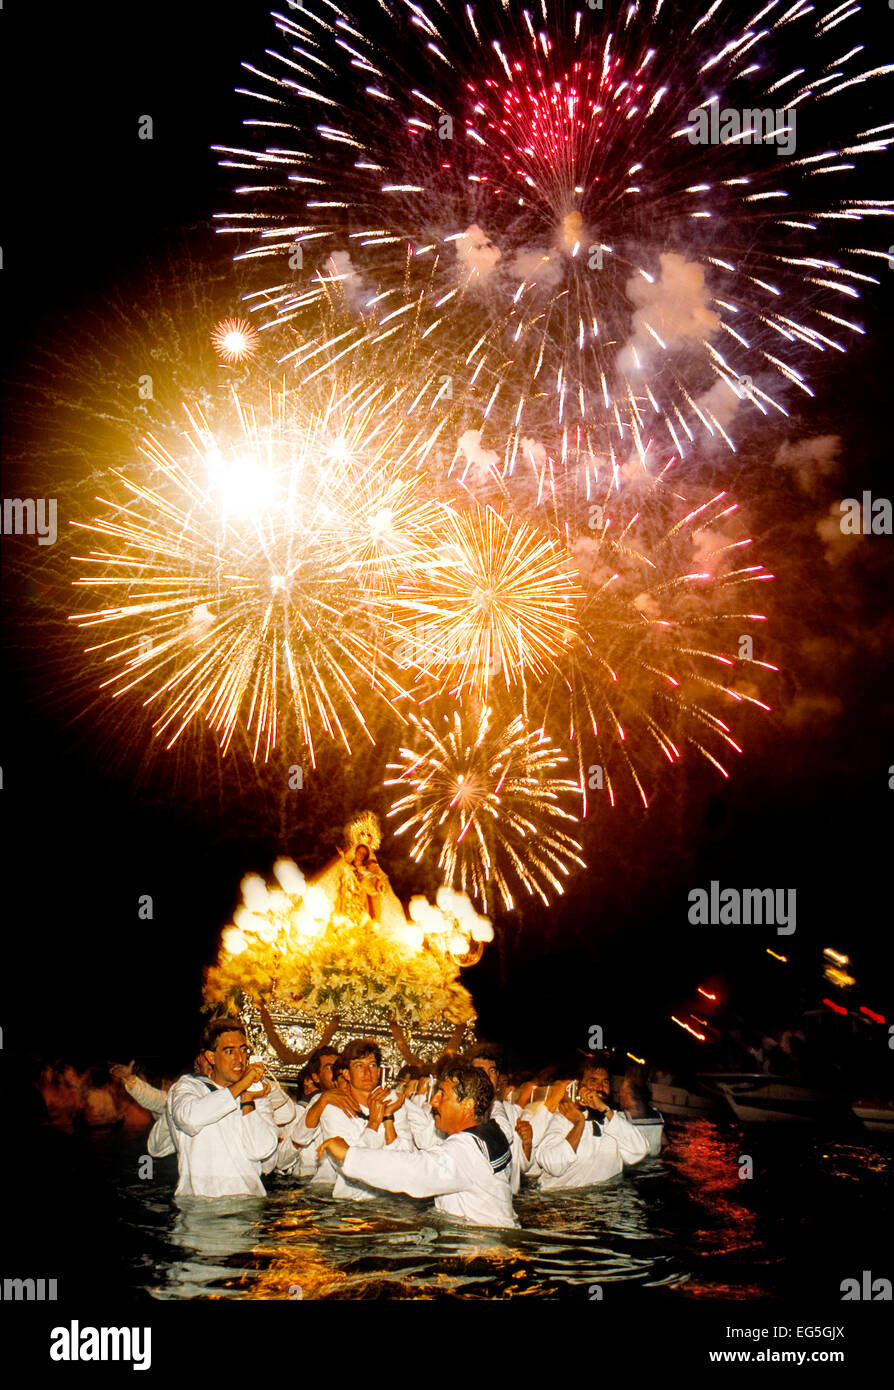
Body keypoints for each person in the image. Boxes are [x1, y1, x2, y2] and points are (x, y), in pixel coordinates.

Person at [319, 1063, 517, 1228]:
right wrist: (388, 1118)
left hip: (482, 1254)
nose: (433, 1101)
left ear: (468, 1104)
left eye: (442, 1094)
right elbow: (423, 1161)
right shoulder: (492, 1132)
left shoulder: (466, 1150)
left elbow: (415, 1171)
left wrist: (350, 1154)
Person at [167, 1018, 278, 1198]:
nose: (239, 1059)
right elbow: (189, 1119)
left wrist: (248, 1100)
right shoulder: (189, 1087)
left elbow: (263, 1153)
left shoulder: (256, 1096)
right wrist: (241, 1086)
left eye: (243, 1051)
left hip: (247, 1206)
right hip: (201, 1208)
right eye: (229, 1051)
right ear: (211, 1057)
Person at [313, 1039, 413, 1199]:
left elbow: (408, 1160)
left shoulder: (394, 1102)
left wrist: (387, 1118)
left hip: (392, 1202)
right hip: (352, 1203)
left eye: (372, 1065)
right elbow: (348, 1166)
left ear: (379, 1071)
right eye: (359, 1066)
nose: (368, 1072)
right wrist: (373, 1123)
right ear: (346, 1074)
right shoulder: (333, 1109)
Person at [536, 1059, 649, 1188]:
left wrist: (604, 1109)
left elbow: (640, 1151)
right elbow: (552, 1165)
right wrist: (579, 1124)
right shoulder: (564, 1116)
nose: (600, 1088)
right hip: (564, 1199)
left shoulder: (615, 1119)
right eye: (593, 1081)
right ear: (579, 1087)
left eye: (605, 1082)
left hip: (603, 1200)